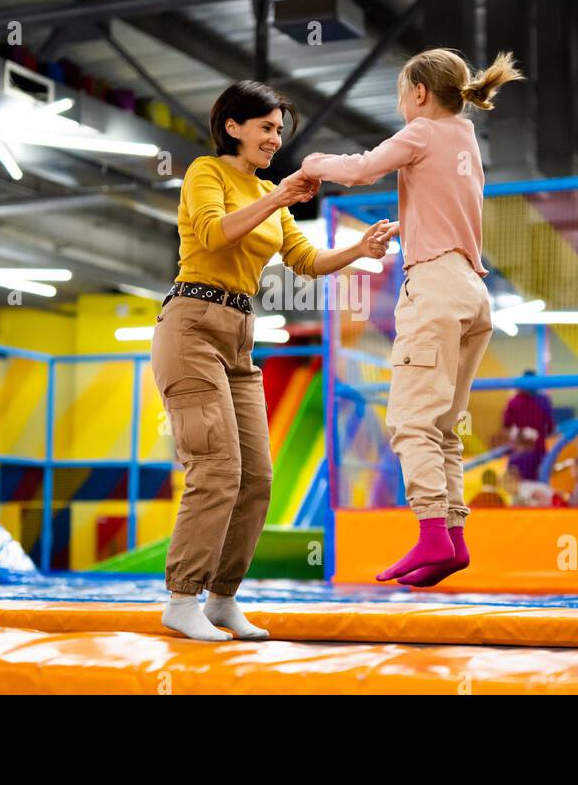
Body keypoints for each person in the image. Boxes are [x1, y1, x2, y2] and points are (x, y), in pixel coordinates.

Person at [153, 81, 397, 641]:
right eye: (265, 127)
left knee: (257, 477)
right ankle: (181, 597)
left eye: (279, 130)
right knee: (215, 469)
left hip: (240, 334)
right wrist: (277, 196)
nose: (274, 138)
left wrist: (360, 251)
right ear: (233, 127)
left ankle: (222, 598)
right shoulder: (205, 173)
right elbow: (213, 236)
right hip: (191, 324)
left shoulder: (270, 193)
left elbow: (306, 261)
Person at [303, 49, 524, 588]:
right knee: (442, 426)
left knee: (409, 422)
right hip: (472, 291)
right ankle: (452, 538)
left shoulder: (423, 131)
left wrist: (312, 164)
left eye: (402, 94)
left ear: (419, 93)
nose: (402, 105)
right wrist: (398, 231)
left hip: (435, 289)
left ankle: (430, 533)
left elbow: (358, 170)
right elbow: (447, 206)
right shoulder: (465, 139)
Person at [504, 368, 556, 482]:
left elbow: (506, 426)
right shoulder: (543, 401)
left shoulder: (513, 401)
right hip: (539, 452)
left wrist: (516, 441)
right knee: (540, 485)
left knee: (519, 487)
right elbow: (551, 427)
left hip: (521, 451)